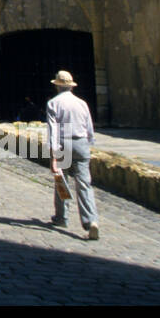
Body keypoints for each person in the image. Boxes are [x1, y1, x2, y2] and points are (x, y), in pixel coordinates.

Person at [45, 70, 99, 239]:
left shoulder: (53, 103)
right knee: (84, 184)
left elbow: (53, 130)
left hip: (64, 142)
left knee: (61, 180)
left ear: (57, 86)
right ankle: (91, 221)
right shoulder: (81, 103)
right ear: (71, 86)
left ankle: (62, 217)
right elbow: (89, 126)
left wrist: (54, 155)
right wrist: (89, 142)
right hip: (81, 142)